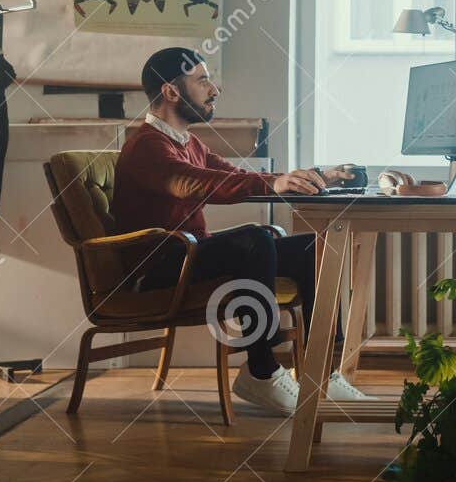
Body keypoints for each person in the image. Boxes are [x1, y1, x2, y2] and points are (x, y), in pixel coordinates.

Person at [111, 47, 367, 415]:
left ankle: (321, 372)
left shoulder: (188, 143)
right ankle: (261, 371)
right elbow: (194, 183)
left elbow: (235, 177)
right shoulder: (147, 147)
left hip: (189, 255)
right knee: (255, 240)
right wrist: (275, 184)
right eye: (202, 80)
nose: (213, 89)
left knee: (313, 247)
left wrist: (314, 177)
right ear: (171, 92)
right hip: (160, 269)